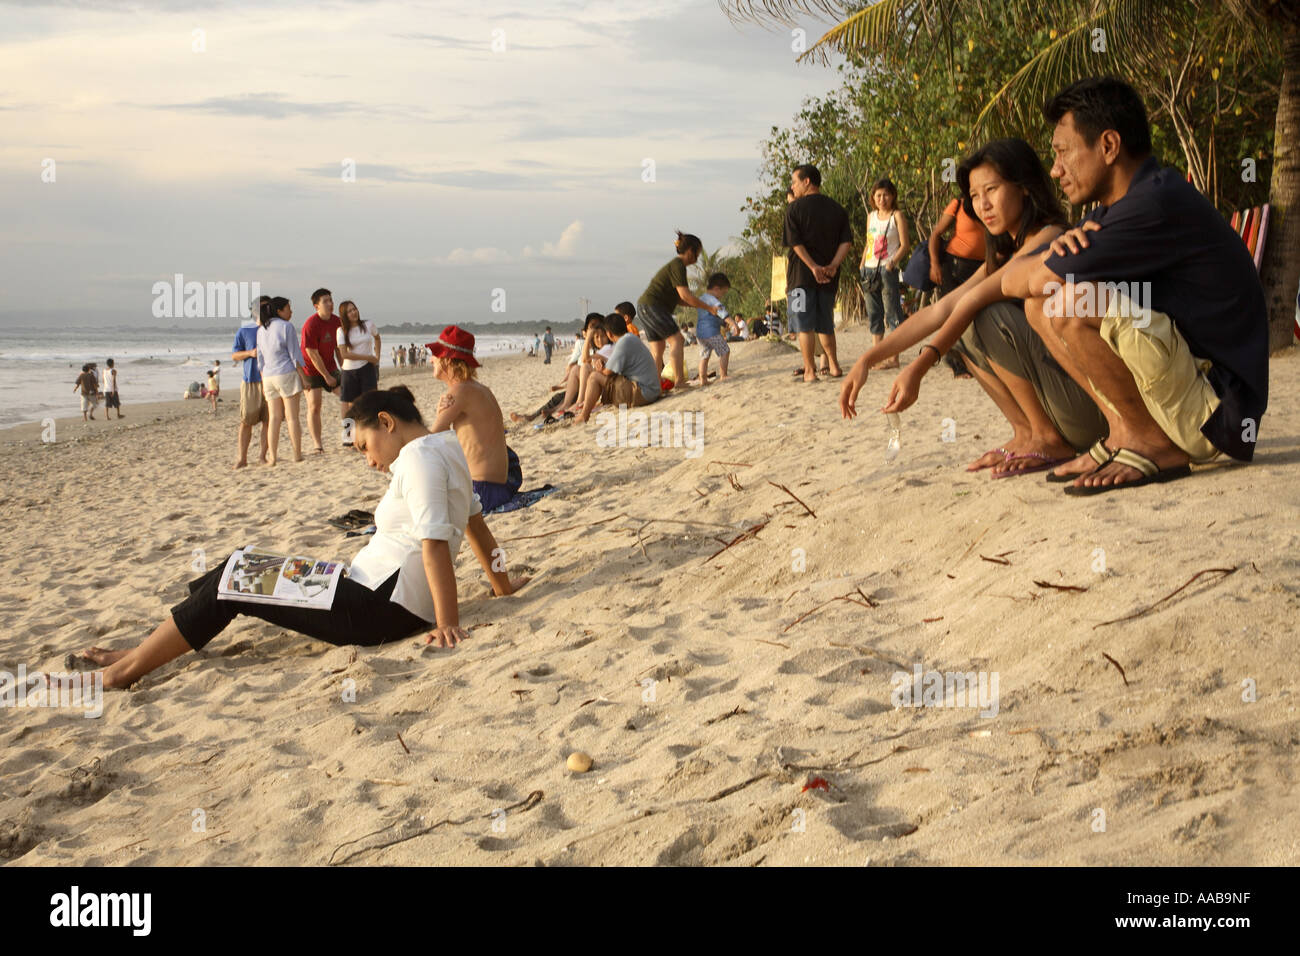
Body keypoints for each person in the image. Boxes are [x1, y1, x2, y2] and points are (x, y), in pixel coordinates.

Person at [73, 386, 531, 689]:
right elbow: (477, 530)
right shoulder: (446, 449)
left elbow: (434, 545)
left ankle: (124, 673)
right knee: (242, 562)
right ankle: (143, 650)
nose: (369, 461)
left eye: (364, 447)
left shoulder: (417, 460)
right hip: (367, 591)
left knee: (239, 576)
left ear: (386, 422)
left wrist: (447, 623)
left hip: (379, 608)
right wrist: (503, 588)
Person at [1000, 75, 1268, 493]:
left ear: (1108, 146)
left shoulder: (1152, 204)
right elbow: (1011, 282)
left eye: (1064, 152)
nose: (1055, 170)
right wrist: (1043, 270)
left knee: (1069, 302)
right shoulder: (1115, 208)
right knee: (1044, 304)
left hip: (1219, 414)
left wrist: (1043, 270)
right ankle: (1122, 432)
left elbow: (1032, 278)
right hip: (1191, 392)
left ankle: (1150, 442)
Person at [840, 138, 1106, 478]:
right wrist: (867, 359)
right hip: (1065, 405)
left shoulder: (1050, 236)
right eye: (975, 196)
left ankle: (1046, 437)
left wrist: (921, 366)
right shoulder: (1003, 254)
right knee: (962, 320)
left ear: (1024, 187)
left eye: (991, 190)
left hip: (1089, 408)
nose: (983, 205)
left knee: (982, 316)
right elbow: (940, 310)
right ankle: (1026, 432)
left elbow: (971, 303)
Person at [426, 326, 523, 512]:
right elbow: (450, 442)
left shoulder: (460, 391)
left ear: (447, 360)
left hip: (483, 491)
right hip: (501, 485)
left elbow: (428, 442)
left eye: (435, 355)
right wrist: (442, 416)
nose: (431, 359)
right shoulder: (478, 389)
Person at [785, 163, 852, 382]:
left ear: (807, 181)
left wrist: (812, 266)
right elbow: (846, 242)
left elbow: (795, 244)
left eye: (794, 182)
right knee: (826, 323)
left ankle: (810, 370)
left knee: (802, 325)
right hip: (829, 278)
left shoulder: (793, 210)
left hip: (799, 278)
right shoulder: (837, 209)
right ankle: (833, 365)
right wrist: (832, 265)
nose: (792, 187)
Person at [637, 230, 719, 387]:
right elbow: (686, 296)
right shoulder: (678, 265)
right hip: (653, 306)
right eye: (698, 253)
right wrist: (708, 308)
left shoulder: (676, 266)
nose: (698, 257)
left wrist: (700, 306)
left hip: (645, 307)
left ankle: (655, 386)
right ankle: (680, 381)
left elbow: (681, 300)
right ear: (690, 251)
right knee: (677, 340)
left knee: (658, 348)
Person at [929, 194, 987, 377]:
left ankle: (977, 361)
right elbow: (936, 234)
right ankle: (957, 365)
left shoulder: (990, 204)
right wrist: (934, 263)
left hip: (981, 267)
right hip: (953, 265)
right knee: (952, 316)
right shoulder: (958, 204)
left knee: (979, 315)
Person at [859, 177, 912, 369]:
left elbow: (905, 245)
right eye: (878, 195)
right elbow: (869, 241)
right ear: (873, 197)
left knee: (892, 312)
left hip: (887, 268)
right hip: (869, 269)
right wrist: (862, 263)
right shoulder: (871, 216)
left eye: (886, 195)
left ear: (892, 196)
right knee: (874, 312)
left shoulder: (896, 216)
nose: (882, 199)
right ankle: (877, 355)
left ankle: (893, 357)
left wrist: (892, 263)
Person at [577, 313, 662, 422]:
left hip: (644, 393)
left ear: (609, 334)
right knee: (601, 377)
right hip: (651, 390)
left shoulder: (623, 343)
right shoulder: (630, 338)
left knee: (594, 376)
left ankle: (584, 415)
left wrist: (600, 369)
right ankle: (586, 411)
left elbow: (607, 372)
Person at [257, 296, 307, 465]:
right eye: (288, 308)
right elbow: (295, 356)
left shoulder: (261, 330)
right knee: (292, 417)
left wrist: (264, 378)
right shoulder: (287, 327)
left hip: (268, 376)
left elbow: (260, 359)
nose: (291, 312)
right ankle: (297, 454)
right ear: (279, 311)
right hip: (286, 373)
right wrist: (304, 377)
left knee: (274, 418)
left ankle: (272, 457)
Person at [300, 288, 341, 455]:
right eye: (326, 301)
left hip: (331, 366)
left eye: (331, 300)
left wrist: (345, 369)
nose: (330, 304)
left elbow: (339, 348)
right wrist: (326, 377)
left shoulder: (337, 321)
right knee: (314, 405)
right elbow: (312, 354)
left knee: (350, 398)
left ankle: (349, 437)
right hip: (310, 369)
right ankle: (318, 444)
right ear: (317, 306)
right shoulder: (311, 324)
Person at [232, 300, 270, 469]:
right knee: (246, 421)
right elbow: (234, 355)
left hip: (271, 379)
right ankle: (242, 458)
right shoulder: (244, 331)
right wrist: (250, 353)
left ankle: (263, 456)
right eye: (262, 308)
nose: (266, 310)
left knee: (269, 421)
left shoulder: (274, 328)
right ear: (254, 312)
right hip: (251, 382)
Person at [336, 299, 381, 431]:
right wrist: (368, 357)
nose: (353, 312)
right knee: (349, 404)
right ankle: (349, 435)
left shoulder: (368, 324)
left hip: (367, 369)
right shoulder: (341, 331)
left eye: (354, 309)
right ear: (344, 315)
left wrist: (376, 356)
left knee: (370, 401)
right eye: (349, 311)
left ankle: (370, 430)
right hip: (349, 371)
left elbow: (377, 338)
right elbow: (344, 354)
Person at [696, 272, 732, 386]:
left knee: (704, 356)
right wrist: (734, 324)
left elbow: (710, 315)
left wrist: (722, 323)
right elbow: (723, 314)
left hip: (700, 334)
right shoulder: (713, 300)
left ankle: (703, 379)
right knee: (724, 351)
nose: (722, 296)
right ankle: (723, 375)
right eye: (723, 293)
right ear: (717, 289)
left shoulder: (701, 298)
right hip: (711, 332)